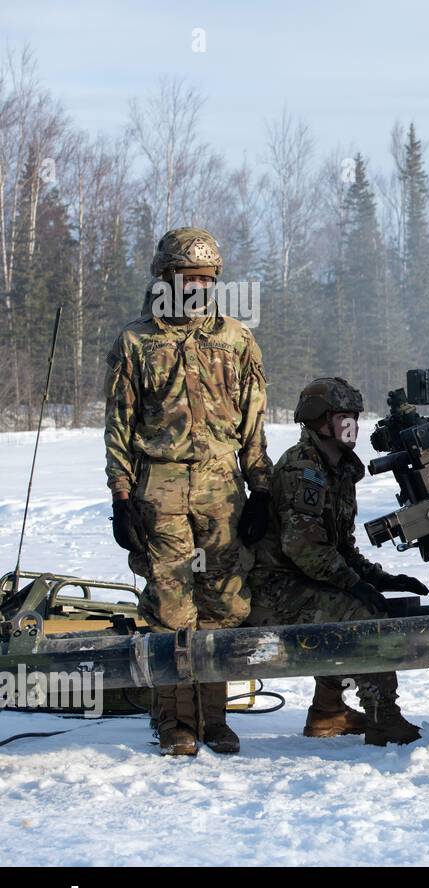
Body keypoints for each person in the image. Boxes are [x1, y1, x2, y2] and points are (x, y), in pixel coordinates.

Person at [104, 227, 272, 756]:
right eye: (187, 277)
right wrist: (121, 495)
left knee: (223, 605)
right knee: (171, 609)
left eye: (206, 278)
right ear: (165, 278)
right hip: (162, 488)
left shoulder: (236, 339)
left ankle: (214, 717)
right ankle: (174, 721)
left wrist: (261, 487)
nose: (198, 286)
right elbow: (120, 425)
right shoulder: (136, 341)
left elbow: (254, 421)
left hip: (223, 489)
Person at [247, 377, 429, 746]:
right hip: (274, 589)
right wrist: (356, 587)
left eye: (355, 417)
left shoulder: (340, 469)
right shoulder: (303, 471)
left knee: (354, 603)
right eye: (343, 416)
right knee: (362, 618)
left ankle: (328, 714)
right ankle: (384, 720)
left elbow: (340, 547)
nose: (353, 425)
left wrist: (380, 579)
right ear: (318, 421)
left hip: (301, 580)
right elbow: (305, 549)